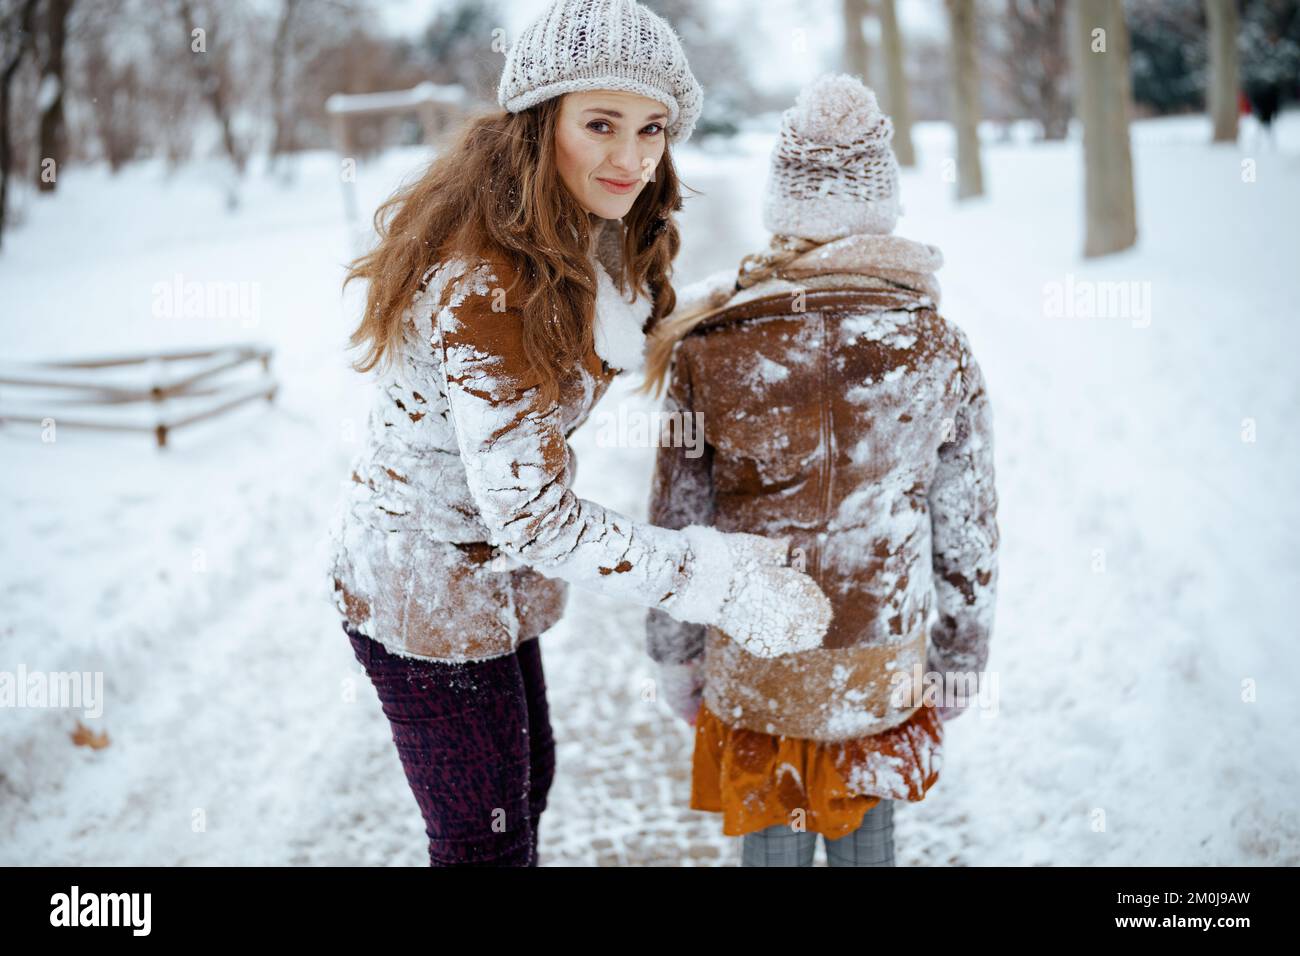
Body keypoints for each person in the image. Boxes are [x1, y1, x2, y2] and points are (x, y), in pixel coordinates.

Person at [326, 0, 832, 867]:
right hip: (427, 596)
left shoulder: (570, 238)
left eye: (651, 129)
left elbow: (615, 330)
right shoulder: (488, 278)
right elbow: (533, 518)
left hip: (496, 584)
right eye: (601, 124)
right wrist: (717, 580)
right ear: (538, 122)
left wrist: (744, 297)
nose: (632, 159)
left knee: (528, 786)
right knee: (487, 844)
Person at [641, 73, 1000, 867]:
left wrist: (676, 653)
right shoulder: (936, 346)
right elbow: (966, 530)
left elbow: (675, 524)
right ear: (885, 201)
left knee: (772, 830)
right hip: (881, 663)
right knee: (866, 830)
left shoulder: (712, 346)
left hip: (757, 659)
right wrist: (962, 656)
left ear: (783, 201)